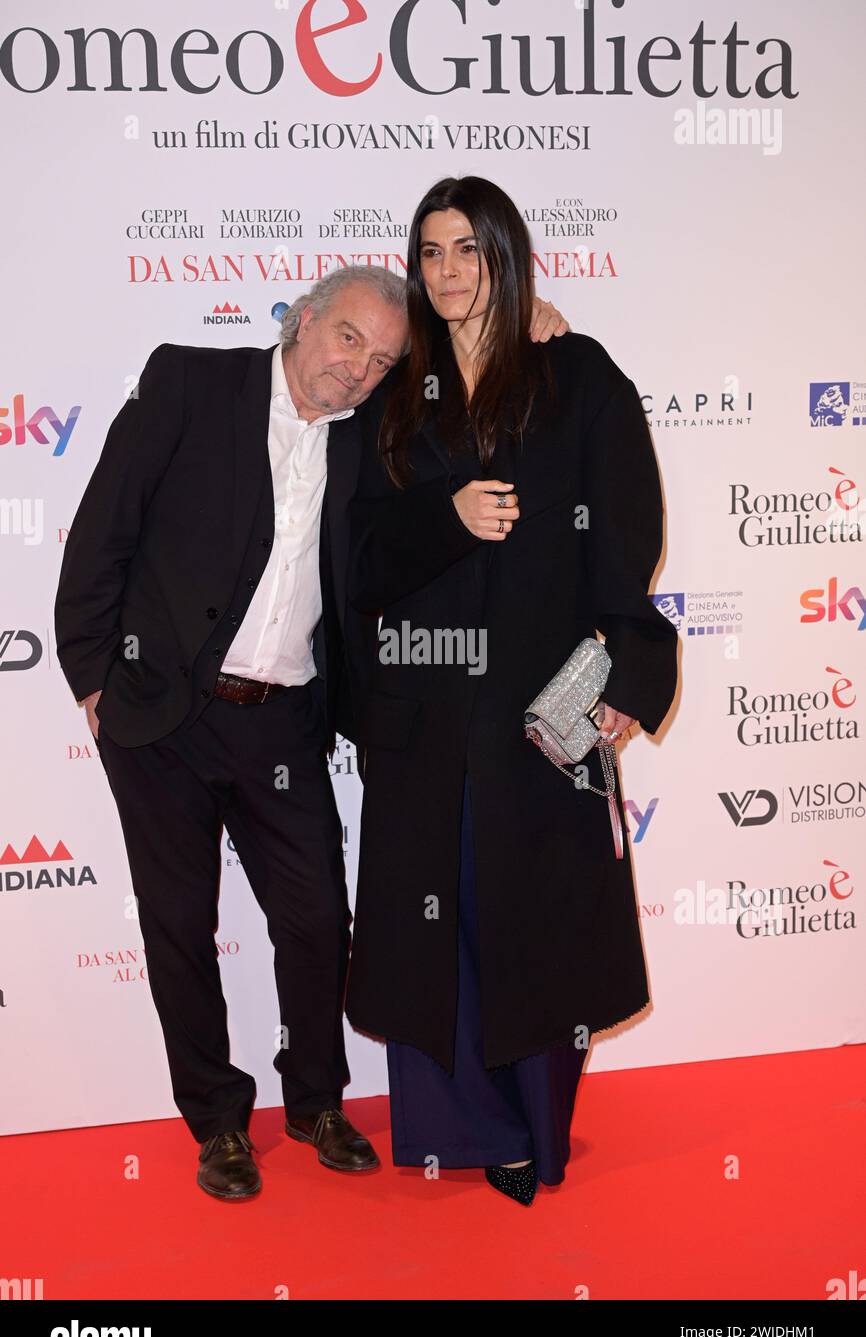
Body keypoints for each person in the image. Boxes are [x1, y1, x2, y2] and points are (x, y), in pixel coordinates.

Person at [53, 263, 568, 1201]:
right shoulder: (190, 382)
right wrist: (94, 679)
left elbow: (455, 393)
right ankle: (215, 1120)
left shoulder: (373, 431)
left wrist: (521, 320)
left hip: (284, 722)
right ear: (300, 321)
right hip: (162, 717)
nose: (359, 372)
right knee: (178, 926)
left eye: (380, 362)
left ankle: (317, 1101)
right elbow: (101, 534)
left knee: (319, 920)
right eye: (347, 342)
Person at [344, 177, 679, 1206]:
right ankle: (462, 1124)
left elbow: (626, 530)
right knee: (435, 923)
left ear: (503, 254)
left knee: (535, 917)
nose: (447, 272)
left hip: (539, 700)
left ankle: (533, 1125)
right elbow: (359, 549)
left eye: (466, 251)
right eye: (431, 252)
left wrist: (626, 662)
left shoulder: (573, 373)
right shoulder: (399, 394)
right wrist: (448, 514)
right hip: (424, 706)